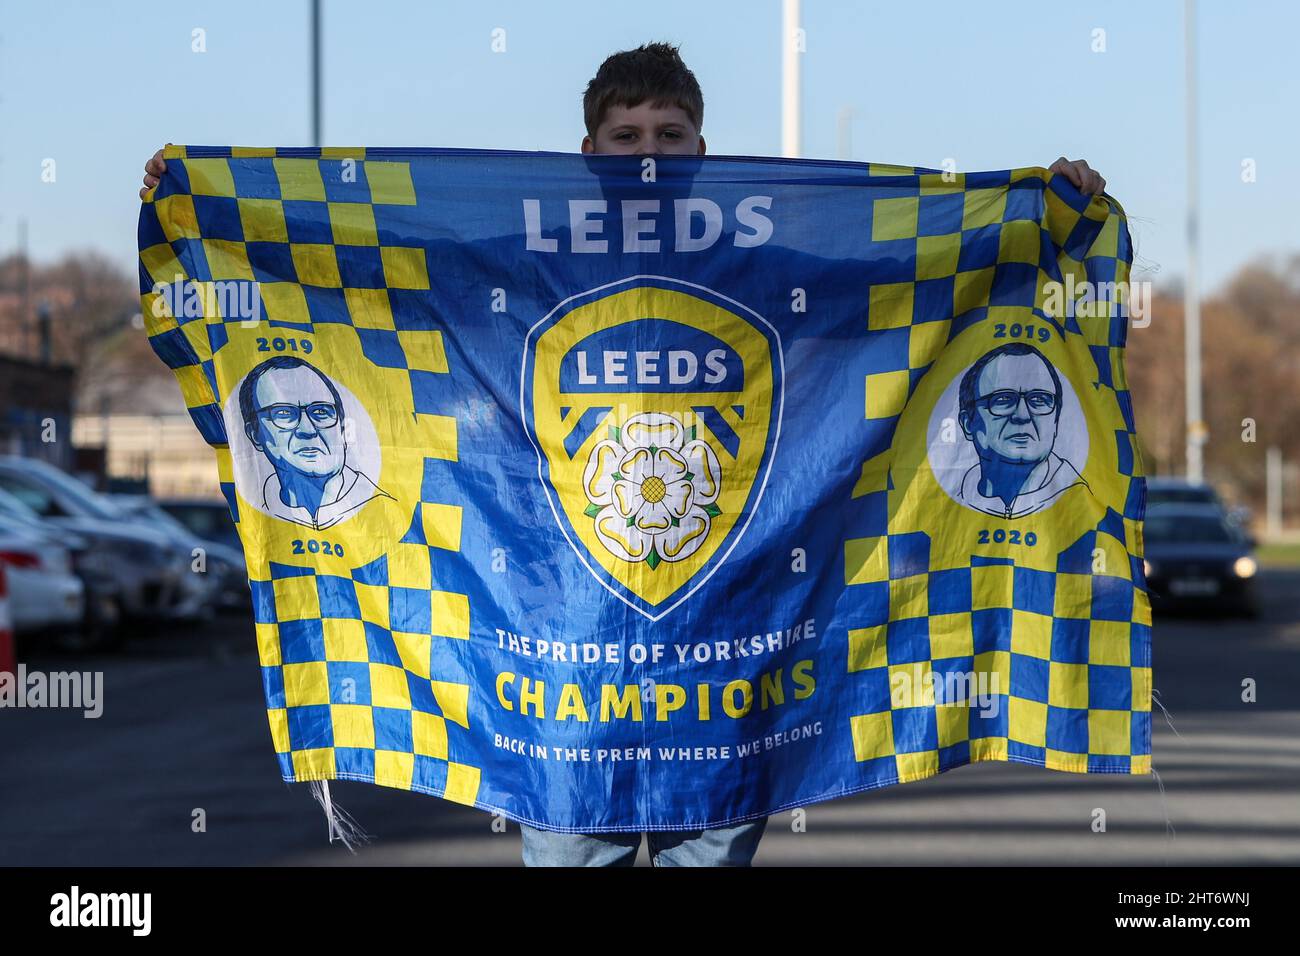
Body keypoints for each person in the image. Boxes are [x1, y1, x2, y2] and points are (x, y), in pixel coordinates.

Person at [139, 40, 1109, 867]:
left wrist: (1040, 218)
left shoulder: (766, 267)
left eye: (669, 135)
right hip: (563, 664)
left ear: (702, 150)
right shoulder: (522, 260)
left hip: (730, 650)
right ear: (589, 153)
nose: (649, 154)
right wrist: (212, 210)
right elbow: (376, 272)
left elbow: (904, 280)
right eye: (627, 136)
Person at [238, 355, 391, 530]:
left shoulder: (387, 516)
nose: (308, 429)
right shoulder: (256, 520)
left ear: (342, 429)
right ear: (254, 434)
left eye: (321, 411)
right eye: (284, 413)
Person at [956, 342, 1089, 519]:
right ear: (968, 424)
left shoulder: (1086, 510)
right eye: (1003, 399)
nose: (1022, 415)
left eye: (1039, 400)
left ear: (1056, 421)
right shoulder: (944, 511)